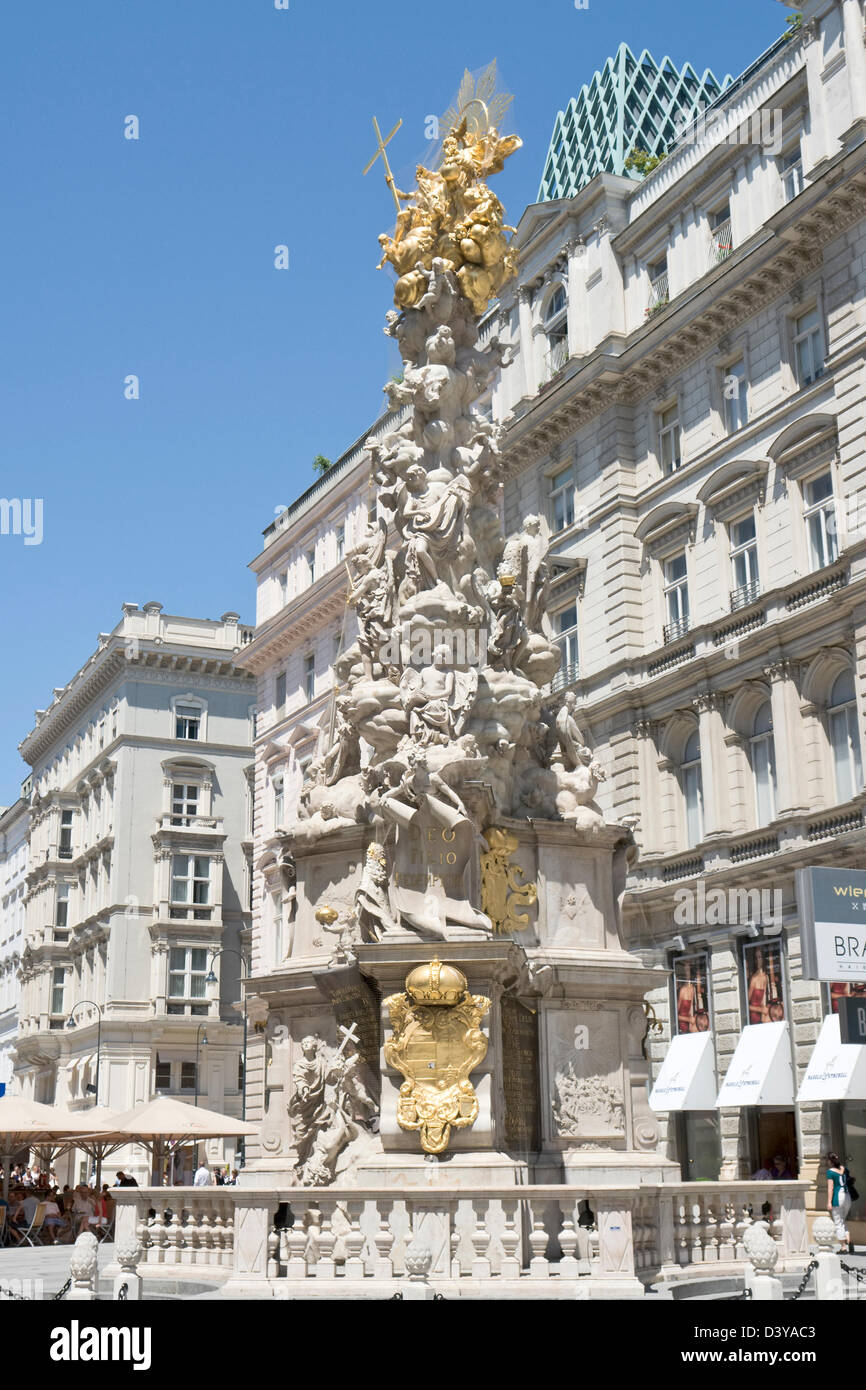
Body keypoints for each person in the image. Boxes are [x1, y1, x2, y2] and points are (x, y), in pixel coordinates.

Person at [827, 1150, 854, 1252]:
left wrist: (829, 1202)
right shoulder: (844, 1169)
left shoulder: (830, 1172)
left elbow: (831, 1188)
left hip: (838, 1198)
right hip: (847, 1197)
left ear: (830, 1161)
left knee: (838, 1222)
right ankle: (848, 1240)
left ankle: (843, 1247)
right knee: (843, 1220)